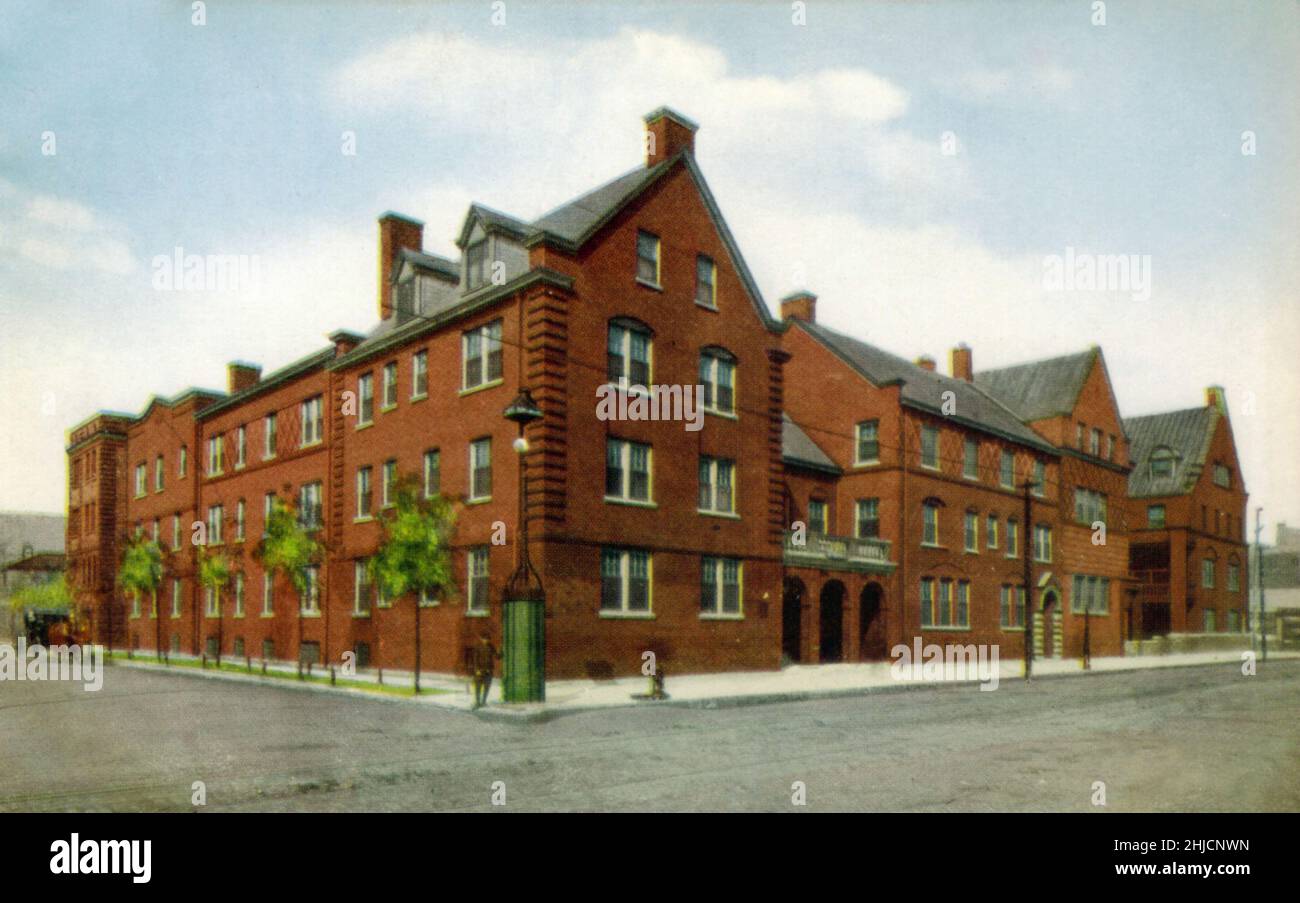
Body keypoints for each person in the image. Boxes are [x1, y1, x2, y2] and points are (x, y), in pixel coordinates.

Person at [470, 633, 500, 708]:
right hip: (480, 670)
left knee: (487, 687)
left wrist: (501, 651)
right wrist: (477, 670)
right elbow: (475, 660)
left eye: (487, 639)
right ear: (481, 639)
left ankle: (484, 701)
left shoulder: (491, 647)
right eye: (484, 639)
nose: (486, 640)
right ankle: (477, 702)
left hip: (488, 670)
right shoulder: (478, 647)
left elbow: (497, 656)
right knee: (478, 687)